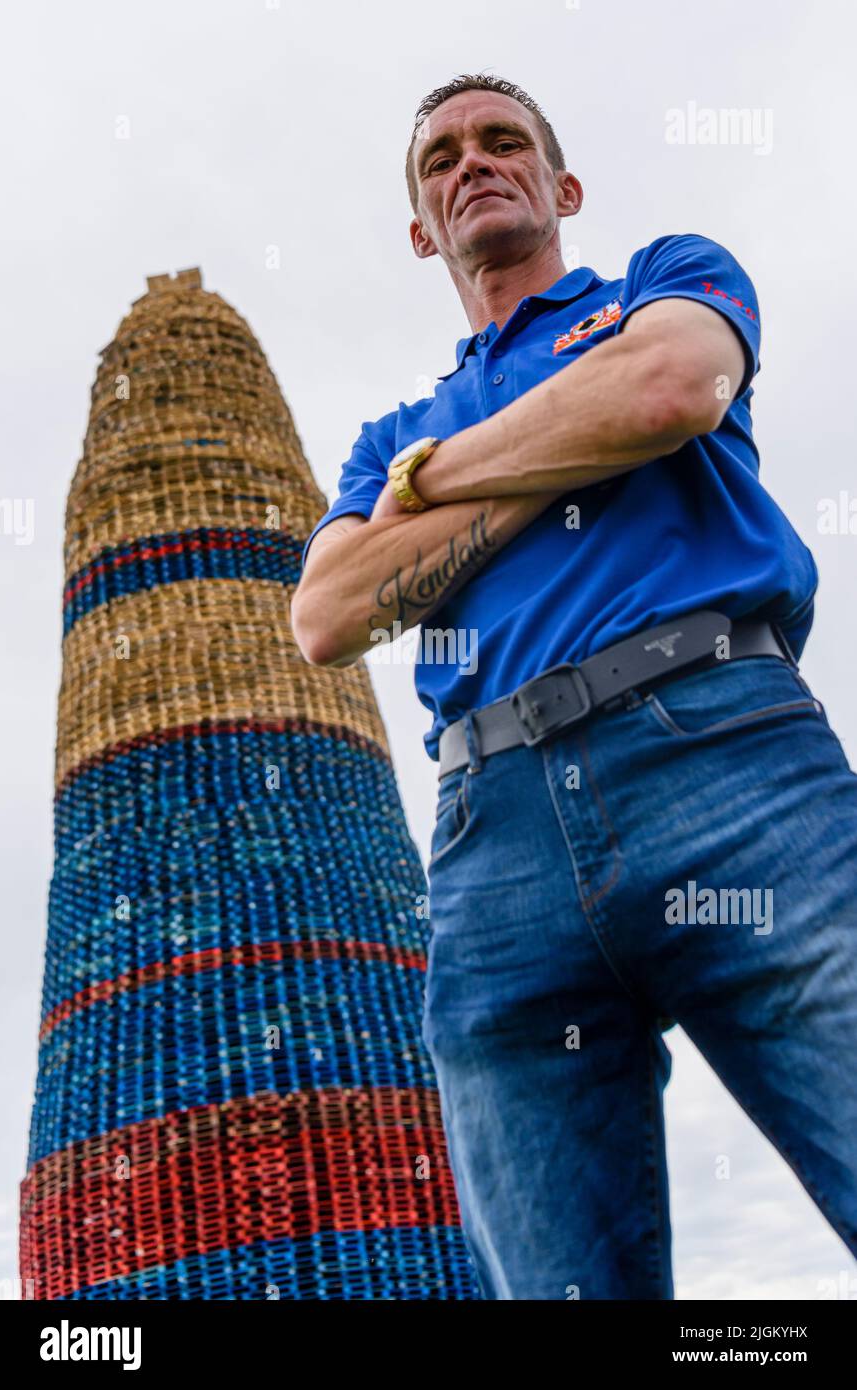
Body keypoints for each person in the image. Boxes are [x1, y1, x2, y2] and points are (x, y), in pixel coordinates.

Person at [291, 73, 857, 1299]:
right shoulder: (388, 433)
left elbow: (668, 389)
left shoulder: (665, 277)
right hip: (495, 844)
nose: (472, 163)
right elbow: (330, 612)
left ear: (564, 185)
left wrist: (434, 490)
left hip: (725, 761)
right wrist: (576, 438)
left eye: (505, 142)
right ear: (420, 227)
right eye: (442, 158)